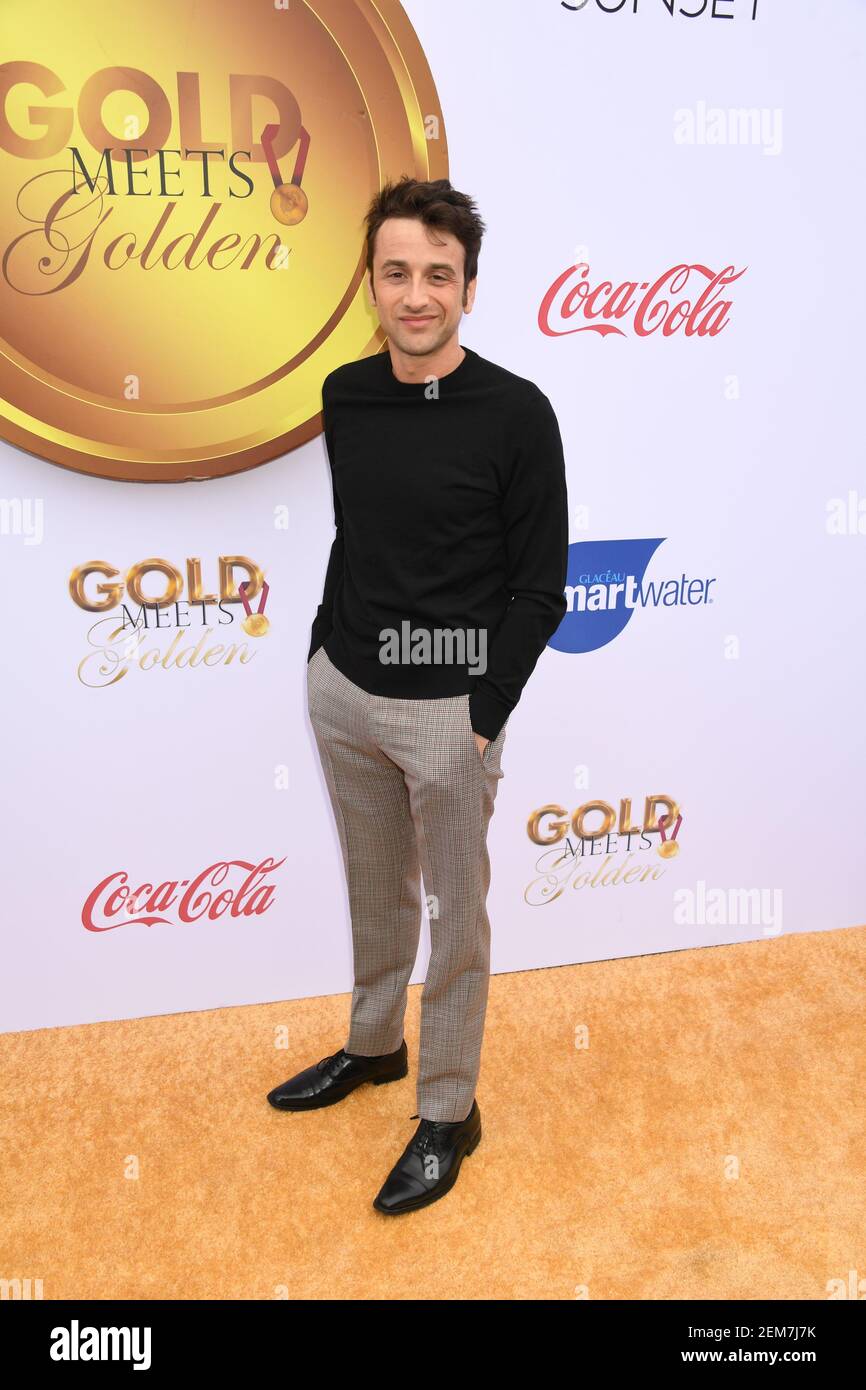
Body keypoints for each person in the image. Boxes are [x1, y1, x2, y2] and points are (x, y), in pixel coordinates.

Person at [267, 176, 569, 1215]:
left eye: (437, 274)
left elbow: (539, 588)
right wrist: (322, 650)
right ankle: (372, 1046)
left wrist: (480, 714)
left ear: (468, 289)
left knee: (457, 919)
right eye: (395, 271)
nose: (415, 294)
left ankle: (448, 1110)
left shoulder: (517, 413)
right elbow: (361, 533)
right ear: (372, 283)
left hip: (450, 716)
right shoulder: (345, 397)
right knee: (371, 889)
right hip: (344, 691)